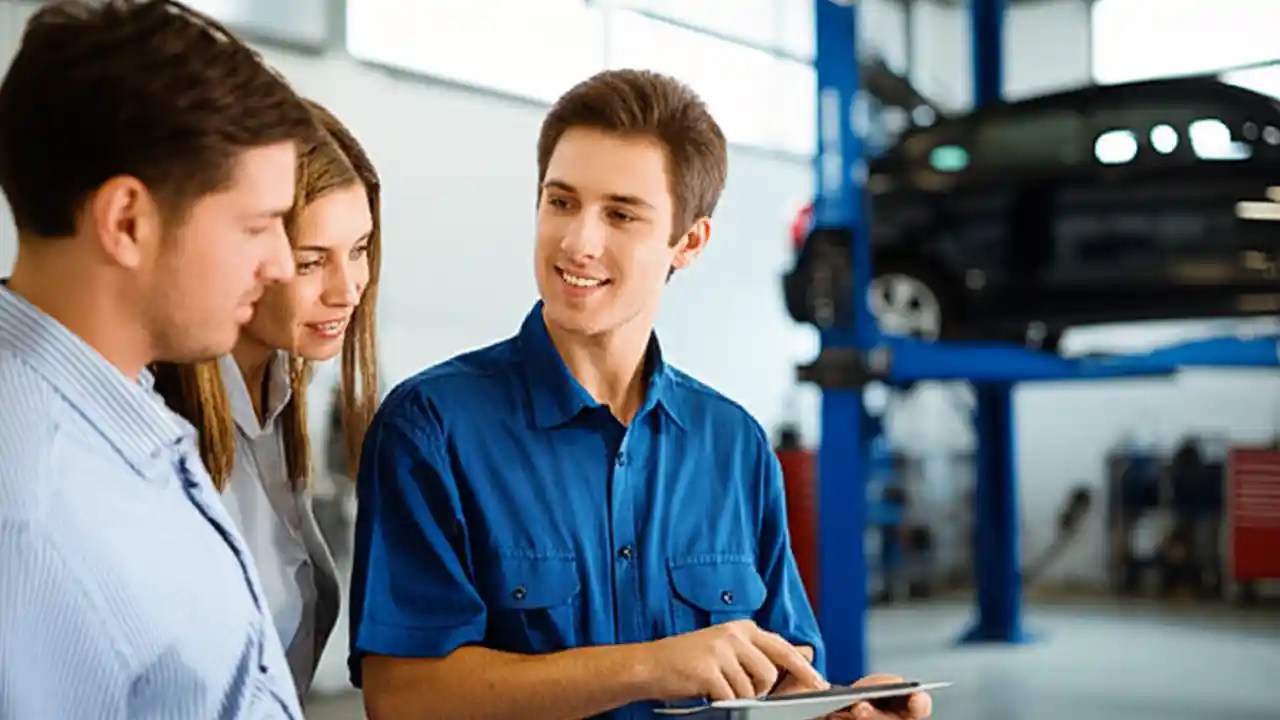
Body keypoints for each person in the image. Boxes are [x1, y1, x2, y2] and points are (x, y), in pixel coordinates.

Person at [347, 69, 934, 720]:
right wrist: (649, 666)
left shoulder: (733, 446)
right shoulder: (433, 429)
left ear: (688, 242)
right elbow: (402, 698)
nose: (577, 242)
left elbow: (782, 680)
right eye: (560, 202)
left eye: (621, 214)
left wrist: (839, 711)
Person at [0, 1, 318, 718]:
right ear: (127, 222)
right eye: (258, 225)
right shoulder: (29, 517)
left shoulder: (120, 410)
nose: (279, 263)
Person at [151, 99, 382, 700]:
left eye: (359, 249)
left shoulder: (279, 398)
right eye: (312, 262)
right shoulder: (157, 421)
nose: (348, 289)